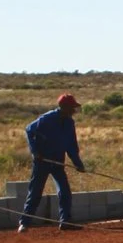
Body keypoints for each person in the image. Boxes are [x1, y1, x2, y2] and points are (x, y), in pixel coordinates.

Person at [20, 93, 83, 231]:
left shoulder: (69, 123)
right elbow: (29, 130)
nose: (74, 110)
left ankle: (65, 221)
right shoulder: (47, 119)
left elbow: (71, 145)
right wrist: (35, 151)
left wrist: (77, 163)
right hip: (42, 161)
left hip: (58, 161)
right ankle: (24, 223)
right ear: (64, 107)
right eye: (72, 107)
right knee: (36, 192)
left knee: (64, 191)